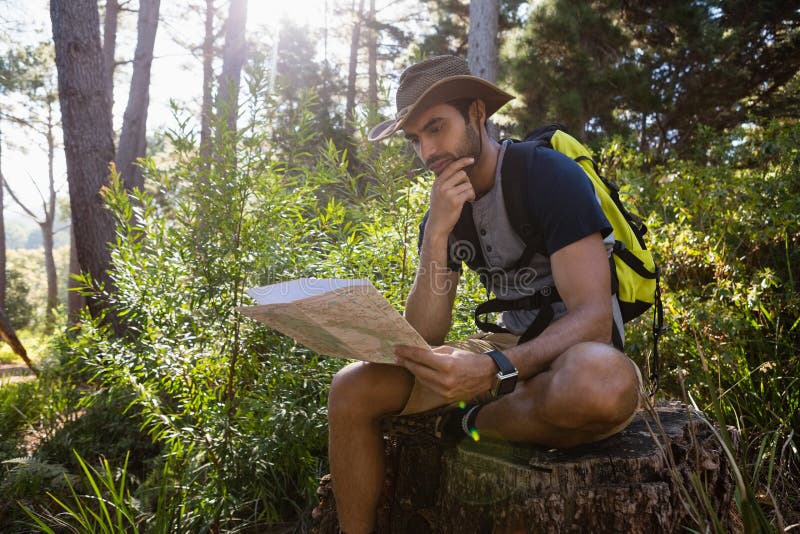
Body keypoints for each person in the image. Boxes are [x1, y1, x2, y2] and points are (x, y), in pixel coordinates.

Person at [326, 55, 642, 534]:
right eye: (415, 139)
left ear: (476, 113)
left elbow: (595, 318)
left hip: (574, 353)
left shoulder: (548, 176)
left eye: (436, 127)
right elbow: (426, 334)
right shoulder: (445, 208)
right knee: (350, 389)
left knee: (598, 384)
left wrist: (492, 370)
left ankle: (468, 423)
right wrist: (435, 236)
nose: (428, 151)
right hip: (504, 355)